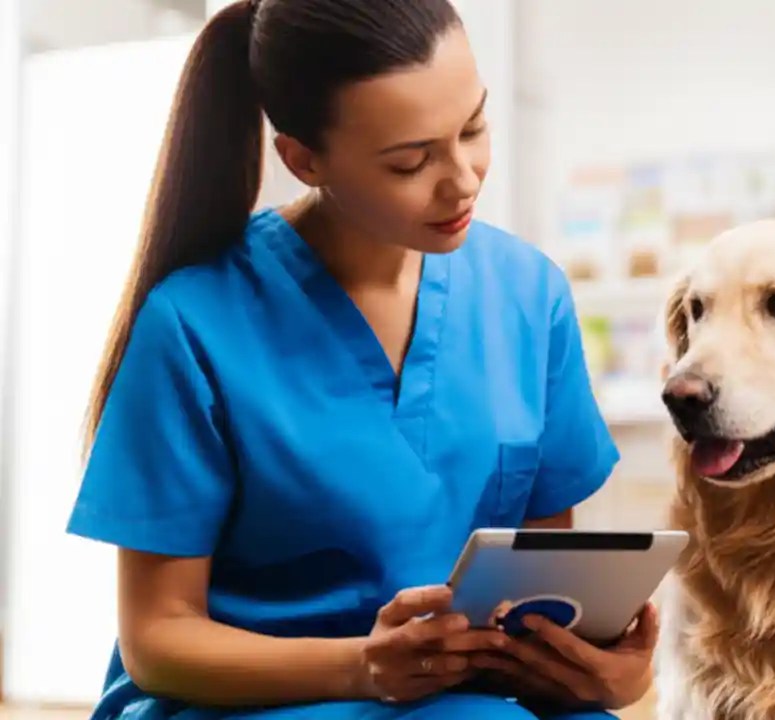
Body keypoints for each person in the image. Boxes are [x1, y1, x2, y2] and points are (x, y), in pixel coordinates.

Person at [64, 1, 656, 718]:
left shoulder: (529, 296)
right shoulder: (194, 323)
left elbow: (538, 601)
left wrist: (603, 675)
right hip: (253, 699)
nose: (463, 179)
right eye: (411, 161)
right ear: (303, 160)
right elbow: (157, 638)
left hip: (461, 695)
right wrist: (363, 667)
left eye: (473, 128)